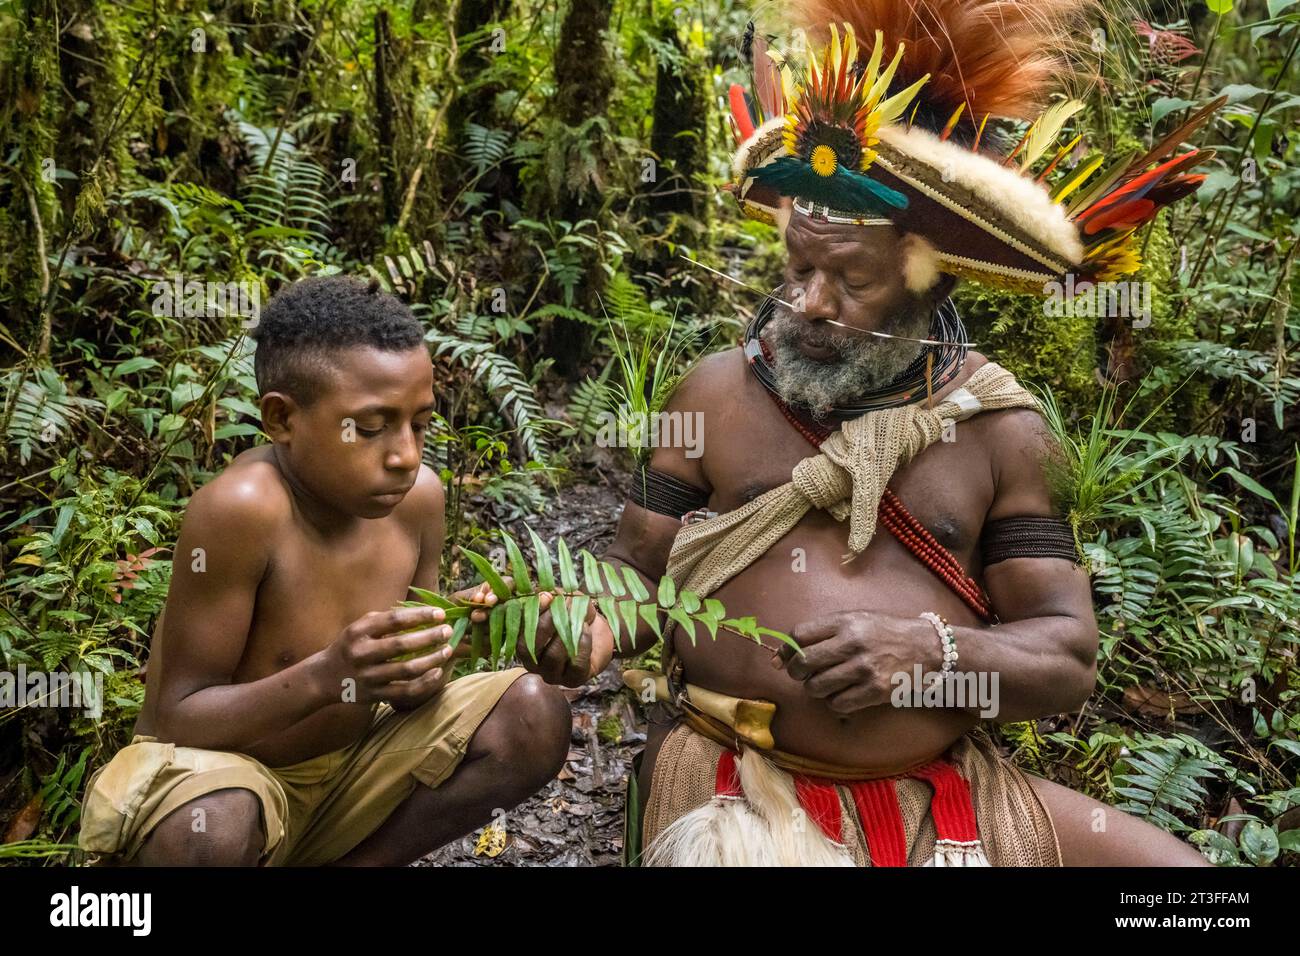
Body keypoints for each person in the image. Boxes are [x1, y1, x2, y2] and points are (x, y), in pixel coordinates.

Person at [530, 0, 1218, 865]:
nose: (807, 303)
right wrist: (582, 628)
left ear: (929, 279)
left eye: (847, 279)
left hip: (943, 795)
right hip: (735, 782)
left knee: (1189, 885)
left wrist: (928, 656)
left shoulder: (1001, 430)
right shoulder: (710, 393)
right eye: (798, 267)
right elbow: (634, 573)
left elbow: (1066, 659)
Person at [78, 276, 581, 866]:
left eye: (419, 424)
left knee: (532, 713)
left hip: (347, 771)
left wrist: (445, 651)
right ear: (281, 419)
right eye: (369, 428)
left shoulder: (418, 500)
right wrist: (329, 674)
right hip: (217, 776)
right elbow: (179, 718)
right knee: (211, 824)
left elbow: (413, 697)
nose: (405, 456)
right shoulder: (241, 511)